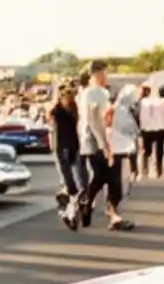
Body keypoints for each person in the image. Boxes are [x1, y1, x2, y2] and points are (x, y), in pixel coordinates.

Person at [70, 60, 132, 231]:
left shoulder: (101, 92)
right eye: (104, 72)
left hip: (106, 140)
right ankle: (83, 205)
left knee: (109, 179)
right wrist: (103, 144)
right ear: (95, 74)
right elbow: (93, 120)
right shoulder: (92, 93)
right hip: (97, 142)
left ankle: (105, 212)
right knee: (104, 178)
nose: (106, 76)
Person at [49, 85, 84, 215]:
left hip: (62, 145)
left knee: (66, 172)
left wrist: (56, 96)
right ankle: (75, 193)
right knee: (73, 171)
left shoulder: (59, 111)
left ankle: (71, 193)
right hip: (73, 144)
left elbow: (50, 113)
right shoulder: (73, 110)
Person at [109, 84, 141, 198]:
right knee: (129, 160)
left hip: (118, 140)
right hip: (124, 139)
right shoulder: (129, 109)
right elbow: (135, 124)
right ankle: (129, 178)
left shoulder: (115, 107)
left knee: (119, 165)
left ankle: (120, 185)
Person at [138, 85, 164, 179]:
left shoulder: (142, 102)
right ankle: (159, 169)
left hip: (146, 128)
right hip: (160, 127)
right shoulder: (163, 101)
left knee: (146, 150)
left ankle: (145, 168)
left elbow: (138, 114)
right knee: (159, 150)